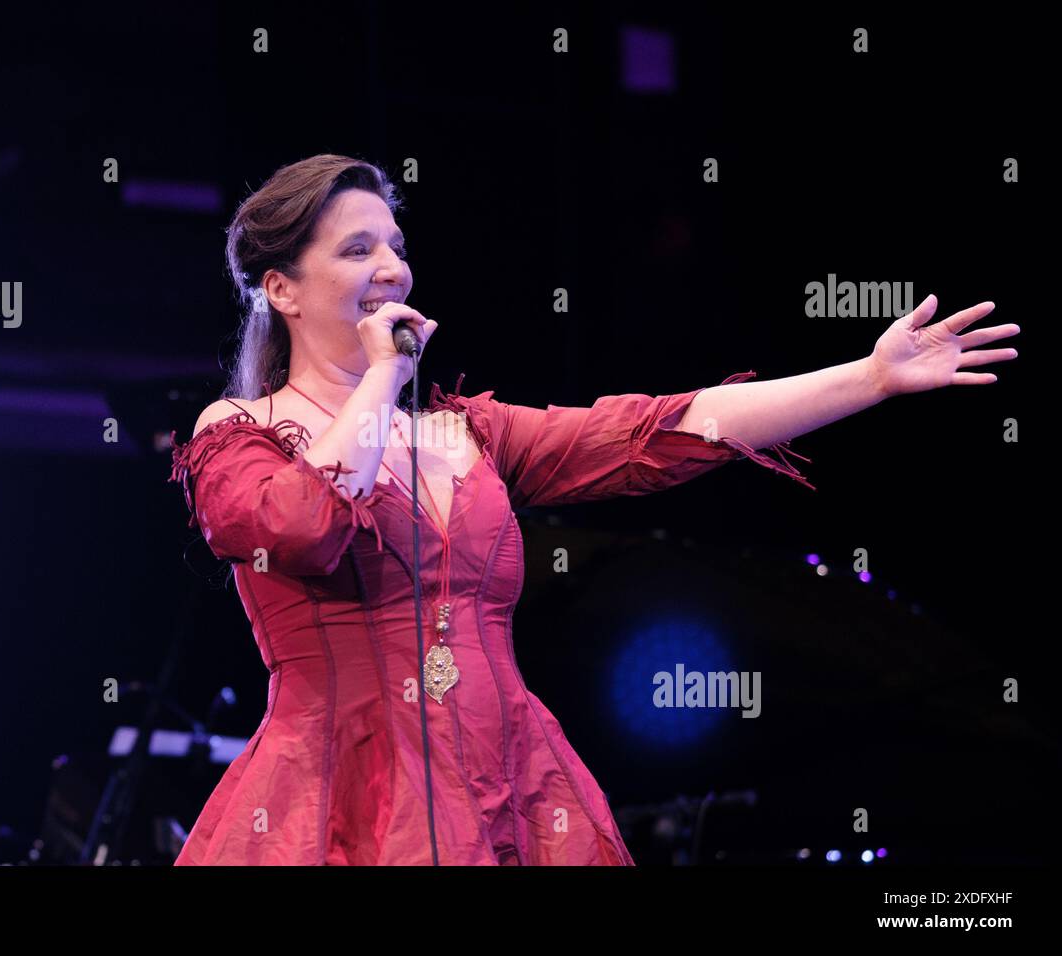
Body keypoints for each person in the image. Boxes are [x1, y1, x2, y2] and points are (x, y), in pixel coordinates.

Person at [168, 154, 1018, 865]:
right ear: (281, 287)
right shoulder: (242, 433)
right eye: (358, 250)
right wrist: (383, 375)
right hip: (339, 797)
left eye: (395, 245)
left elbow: (662, 428)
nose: (392, 269)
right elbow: (306, 527)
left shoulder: (469, 435)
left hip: (509, 782)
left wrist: (866, 379)